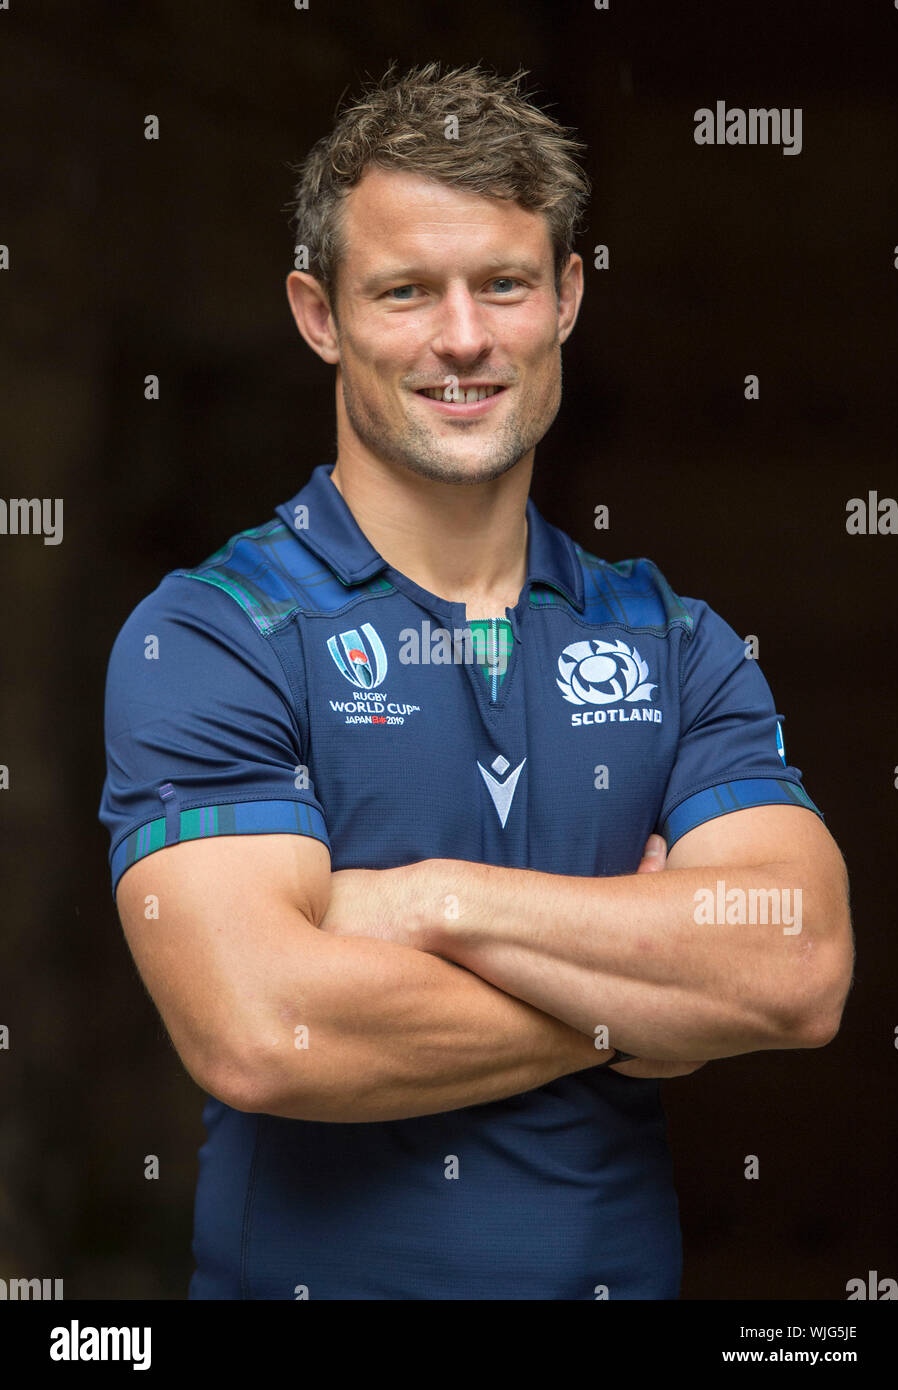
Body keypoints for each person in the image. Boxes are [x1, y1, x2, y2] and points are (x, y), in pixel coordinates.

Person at [98, 62, 853, 1300]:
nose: (462, 338)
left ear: (563, 296)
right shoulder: (214, 633)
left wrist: (432, 901)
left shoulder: (671, 638)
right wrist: (643, 1005)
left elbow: (799, 962)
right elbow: (262, 1030)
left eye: (502, 283)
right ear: (319, 313)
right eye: (404, 292)